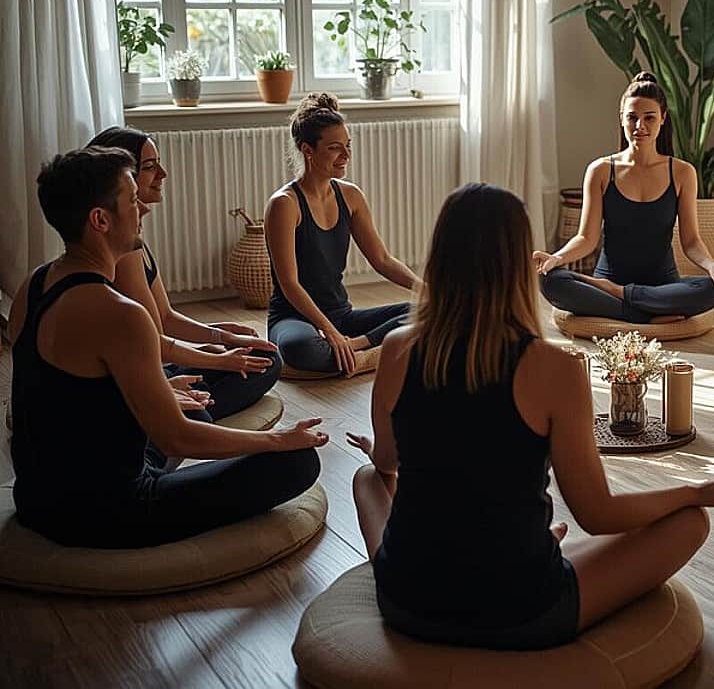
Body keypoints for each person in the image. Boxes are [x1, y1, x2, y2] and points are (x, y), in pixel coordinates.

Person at [348, 182, 714, 649]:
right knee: (690, 521)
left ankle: (513, 548)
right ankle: (540, 545)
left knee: (367, 479)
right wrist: (691, 492)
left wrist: (385, 449)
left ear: (440, 259)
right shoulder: (555, 367)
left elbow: (386, 463)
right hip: (521, 610)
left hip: (406, 600)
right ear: (518, 264)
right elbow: (597, 514)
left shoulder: (397, 347)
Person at [8, 146, 326, 548]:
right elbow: (179, 439)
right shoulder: (120, 313)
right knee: (297, 461)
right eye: (132, 200)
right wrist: (280, 439)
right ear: (100, 220)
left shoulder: (34, 284)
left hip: (34, 497)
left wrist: (159, 391)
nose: (143, 209)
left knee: (186, 410)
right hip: (109, 512)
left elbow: (53, 392)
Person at [87, 126, 280, 422]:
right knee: (249, 371)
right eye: (150, 167)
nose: (162, 174)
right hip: (140, 374)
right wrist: (218, 357)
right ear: (123, 177)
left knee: (264, 358)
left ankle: (185, 408)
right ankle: (181, 415)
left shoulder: (133, 242)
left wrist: (221, 335)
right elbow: (155, 343)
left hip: (156, 365)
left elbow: (164, 317)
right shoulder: (121, 252)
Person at [534, 72, 714, 323]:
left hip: (661, 285)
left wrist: (711, 265)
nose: (640, 126)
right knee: (550, 279)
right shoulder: (601, 170)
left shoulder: (682, 172)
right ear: (622, 119)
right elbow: (586, 238)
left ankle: (623, 301)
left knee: (711, 289)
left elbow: (691, 241)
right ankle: (648, 311)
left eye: (649, 117)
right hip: (607, 281)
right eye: (632, 117)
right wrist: (557, 257)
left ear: (663, 118)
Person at [265, 93, 420, 374]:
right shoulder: (284, 204)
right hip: (295, 319)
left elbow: (382, 260)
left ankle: (357, 349)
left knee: (429, 312)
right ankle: (373, 352)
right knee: (303, 349)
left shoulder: (351, 196)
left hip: (341, 315)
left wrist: (427, 291)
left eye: (348, 146)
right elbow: (289, 283)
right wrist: (329, 331)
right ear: (308, 150)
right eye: (335, 148)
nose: (346, 156)